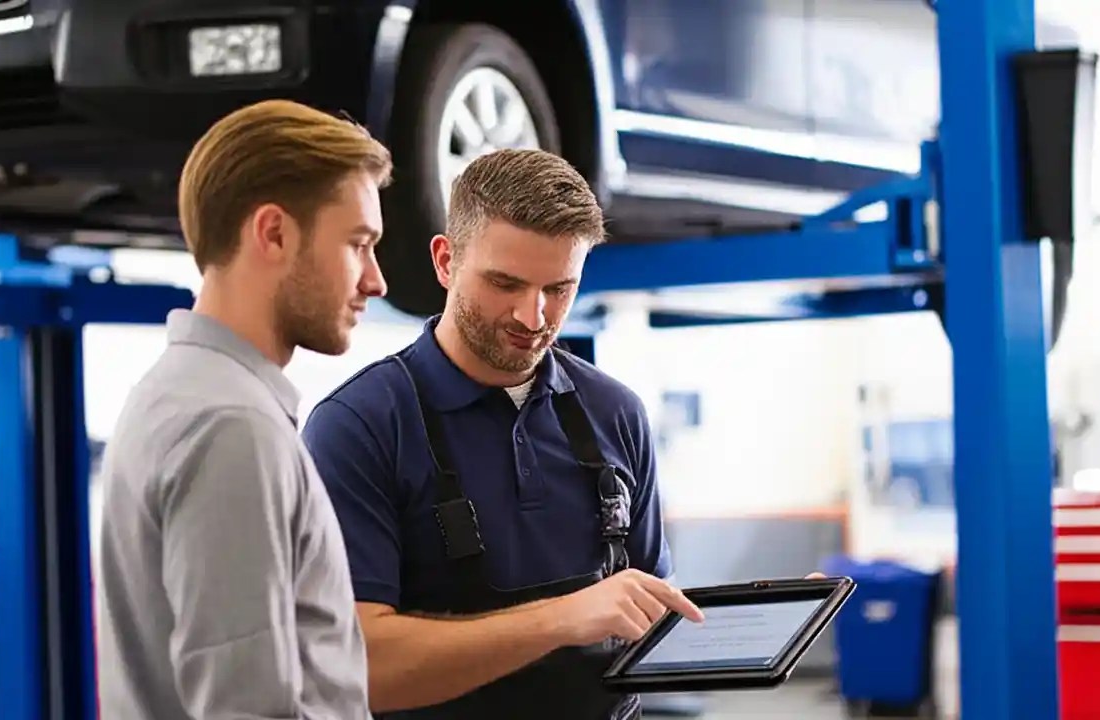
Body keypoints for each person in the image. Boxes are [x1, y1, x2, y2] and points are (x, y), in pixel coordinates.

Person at [301, 148, 703, 720]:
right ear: (445, 261)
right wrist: (564, 618)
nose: (532, 316)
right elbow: (360, 671)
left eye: (558, 289)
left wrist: (765, 623)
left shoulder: (616, 414)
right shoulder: (359, 427)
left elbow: (648, 622)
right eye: (505, 283)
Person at [94, 98, 391, 720]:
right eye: (358, 245)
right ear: (274, 232)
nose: (375, 280)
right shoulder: (231, 426)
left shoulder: (179, 393)